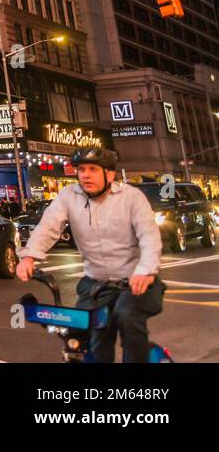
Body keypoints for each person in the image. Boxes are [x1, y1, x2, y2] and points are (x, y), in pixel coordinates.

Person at [18, 147, 164, 362]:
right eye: (81, 169)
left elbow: (149, 237)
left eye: (93, 169)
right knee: (89, 334)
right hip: (95, 286)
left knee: (127, 318)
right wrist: (29, 257)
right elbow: (48, 227)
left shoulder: (131, 197)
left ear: (110, 174)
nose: (85, 175)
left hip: (135, 283)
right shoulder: (69, 196)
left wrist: (146, 271)